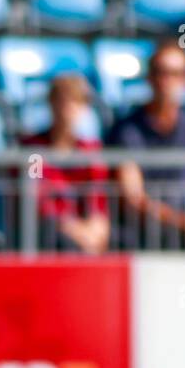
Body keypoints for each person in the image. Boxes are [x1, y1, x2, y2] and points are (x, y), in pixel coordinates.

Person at [107, 39, 185, 247]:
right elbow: (133, 198)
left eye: (174, 74)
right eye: (160, 72)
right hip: (145, 234)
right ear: (149, 78)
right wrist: (183, 223)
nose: (166, 81)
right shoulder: (127, 128)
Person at [20, 73, 110, 254]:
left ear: (84, 108)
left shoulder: (91, 150)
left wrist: (97, 226)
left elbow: (98, 197)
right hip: (50, 229)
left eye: (75, 102)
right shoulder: (34, 151)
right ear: (51, 104)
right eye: (61, 101)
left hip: (83, 230)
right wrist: (74, 229)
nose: (67, 109)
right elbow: (38, 199)